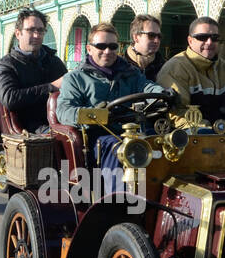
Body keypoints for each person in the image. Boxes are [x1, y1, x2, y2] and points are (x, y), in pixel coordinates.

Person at [56, 22, 169, 181]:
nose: (107, 51)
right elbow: (64, 111)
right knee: (121, 149)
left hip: (134, 132)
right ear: (89, 49)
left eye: (113, 46)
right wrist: (96, 115)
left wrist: (163, 93)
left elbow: (146, 87)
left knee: (163, 143)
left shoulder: (131, 73)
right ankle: (116, 201)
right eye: (101, 46)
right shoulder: (74, 78)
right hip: (98, 138)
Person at [158, 17, 225, 129]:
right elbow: (176, 114)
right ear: (190, 41)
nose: (209, 42)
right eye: (202, 37)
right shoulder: (175, 68)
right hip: (192, 136)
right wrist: (209, 130)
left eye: (214, 38)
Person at [0, 8, 66, 133]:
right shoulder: (5, 66)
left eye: (41, 30)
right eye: (31, 30)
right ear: (18, 33)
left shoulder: (54, 62)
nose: (36, 35)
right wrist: (52, 87)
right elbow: (10, 98)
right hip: (31, 130)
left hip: (62, 120)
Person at [125, 14, 165, 82]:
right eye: (151, 35)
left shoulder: (165, 67)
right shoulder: (120, 65)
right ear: (136, 37)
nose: (156, 40)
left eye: (159, 36)